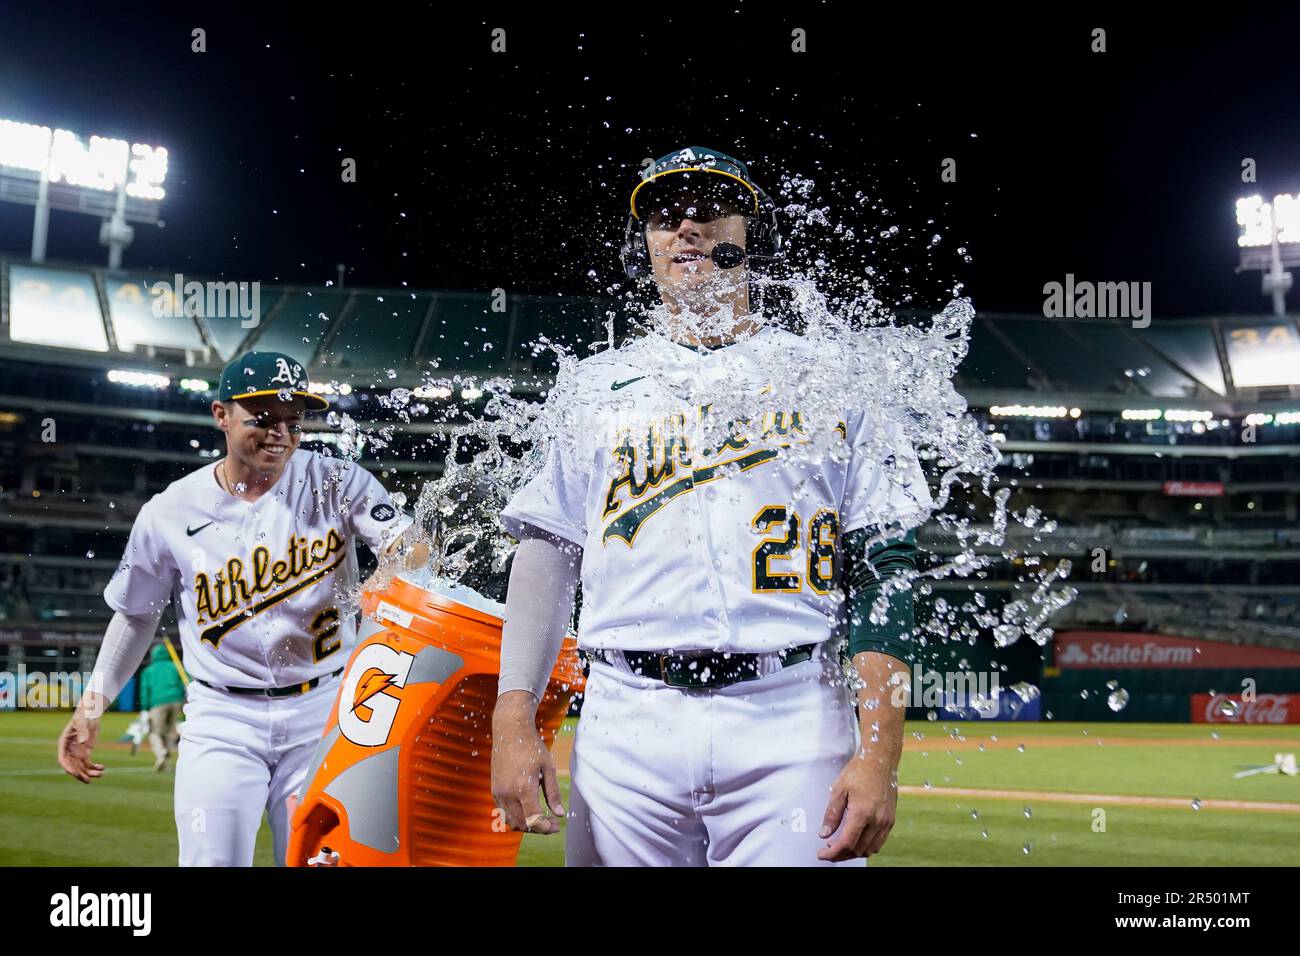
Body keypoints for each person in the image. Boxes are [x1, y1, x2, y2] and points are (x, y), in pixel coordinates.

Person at [490, 147, 933, 866]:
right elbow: (548, 552)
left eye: (709, 208)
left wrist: (879, 750)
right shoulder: (593, 384)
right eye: (666, 215)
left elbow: (887, 560)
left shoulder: (832, 373)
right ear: (649, 246)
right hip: (624, 719)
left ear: (748, 232)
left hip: (791, 711)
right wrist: (514, 714)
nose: (687, 226)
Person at [57, 350, 425, 866]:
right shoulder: (169, 511)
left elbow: (411, 546)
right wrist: (93, 704)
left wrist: (385, 581)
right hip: (221, 716)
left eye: (293, 421)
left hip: (326, 711)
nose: (281, 433)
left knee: (321, 863)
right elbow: (137, 614)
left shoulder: (338, 481)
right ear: (221, 416)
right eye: (264, 419)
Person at [137, 643, 186, 771]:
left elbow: (145, 690)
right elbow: (185, 682)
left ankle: (161, 754)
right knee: (170, 732)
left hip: (157, 702)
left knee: (155, 732)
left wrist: (144, 709)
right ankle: (166, 762)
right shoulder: (175, 666)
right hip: (176, 700)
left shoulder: (149, 671)